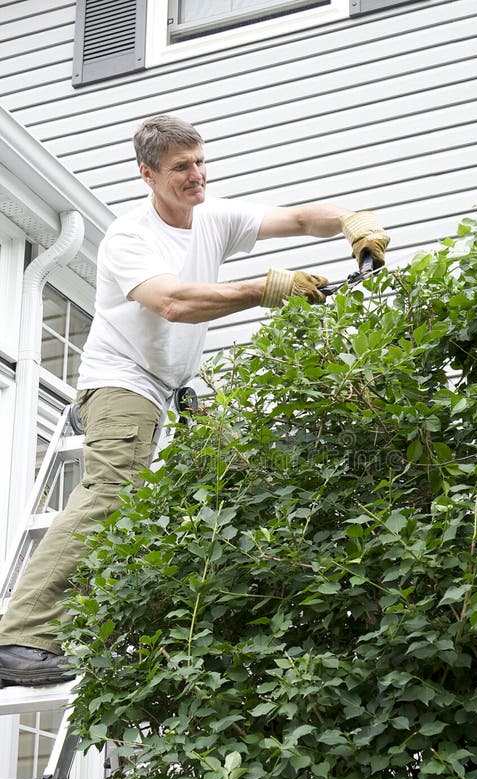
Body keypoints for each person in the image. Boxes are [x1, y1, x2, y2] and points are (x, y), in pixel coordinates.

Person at [0, 114, 389, 687]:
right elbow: (174, 303)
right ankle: (23, 636)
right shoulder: (129, 239)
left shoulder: (214, 217)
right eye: (181, 167)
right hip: (123, 379)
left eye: (200, 161)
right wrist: (263, 289)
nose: (197, 175)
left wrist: (352, 220)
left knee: (242, 477)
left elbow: (303, 218)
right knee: (115, 486)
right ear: (148, 174)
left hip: (177, 387)